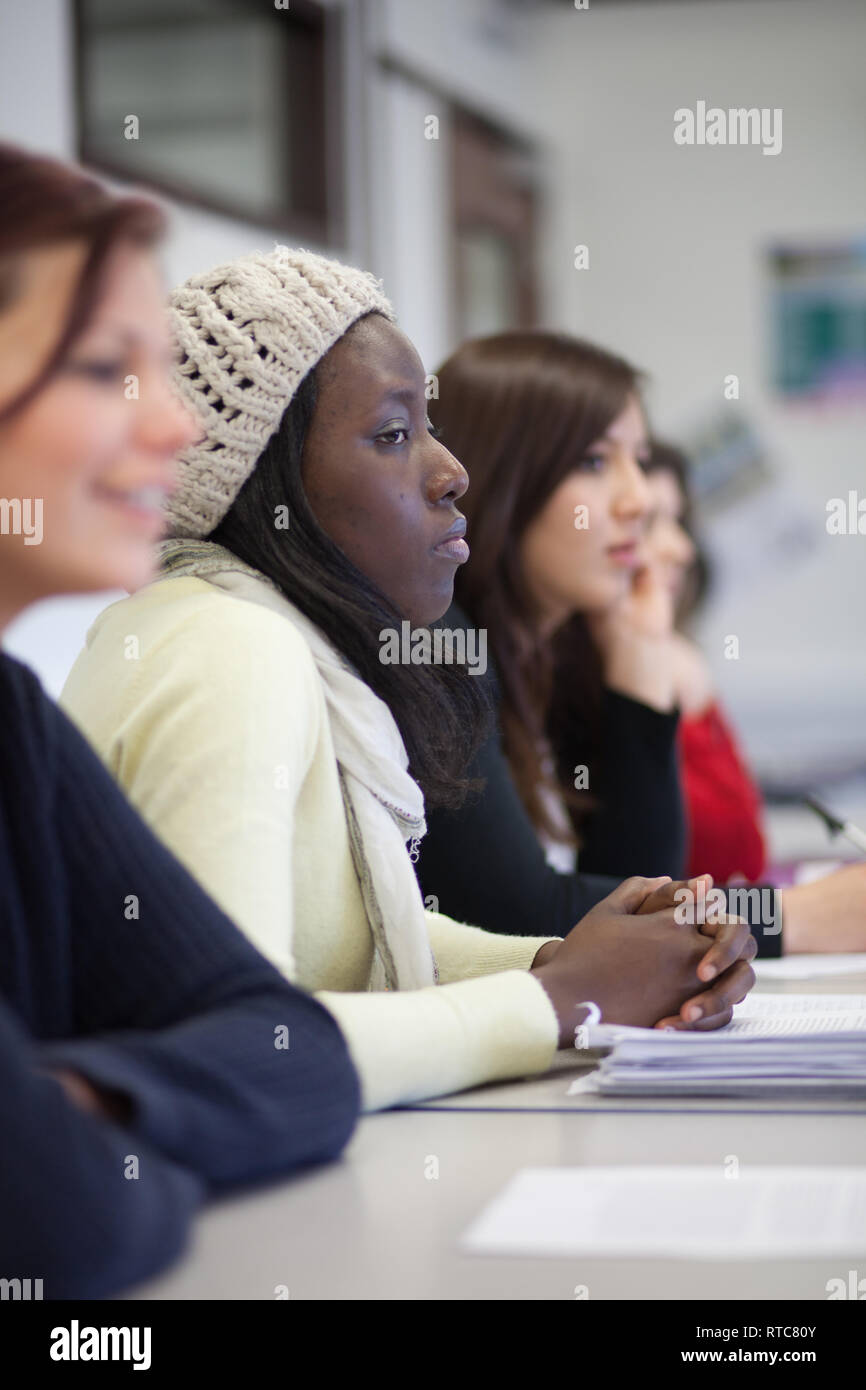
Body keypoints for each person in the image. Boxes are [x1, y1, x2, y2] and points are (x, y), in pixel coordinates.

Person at [61, 247, 756, 1113]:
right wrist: (554, 1000)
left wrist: (575, 961)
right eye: (393, 435)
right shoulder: (230, 647)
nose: (450, 470)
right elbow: (230, 1042)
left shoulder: (249, 636)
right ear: (265, 480)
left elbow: (353, 941)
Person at [0, 143, 361, 1299]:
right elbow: (66, 1228)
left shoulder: (9, 717)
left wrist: (72, 1104)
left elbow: (293, 1050)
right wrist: (69, 1148)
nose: (179, 427)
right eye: (110, 368)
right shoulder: (230, 641)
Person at [416, 330, 866, 954]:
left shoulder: (554, 655)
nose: (639, 500)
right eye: (596, 462)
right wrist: (792, 916)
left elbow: (636, 881)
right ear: (503, 478)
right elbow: (516, 914)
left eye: (640, 459)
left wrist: (639, 653)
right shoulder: (438, 641)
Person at [642, 440, 768, 883]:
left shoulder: (681, 663)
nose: (681, 548)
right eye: (648, 522)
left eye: (678, 521)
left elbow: (743, 860)